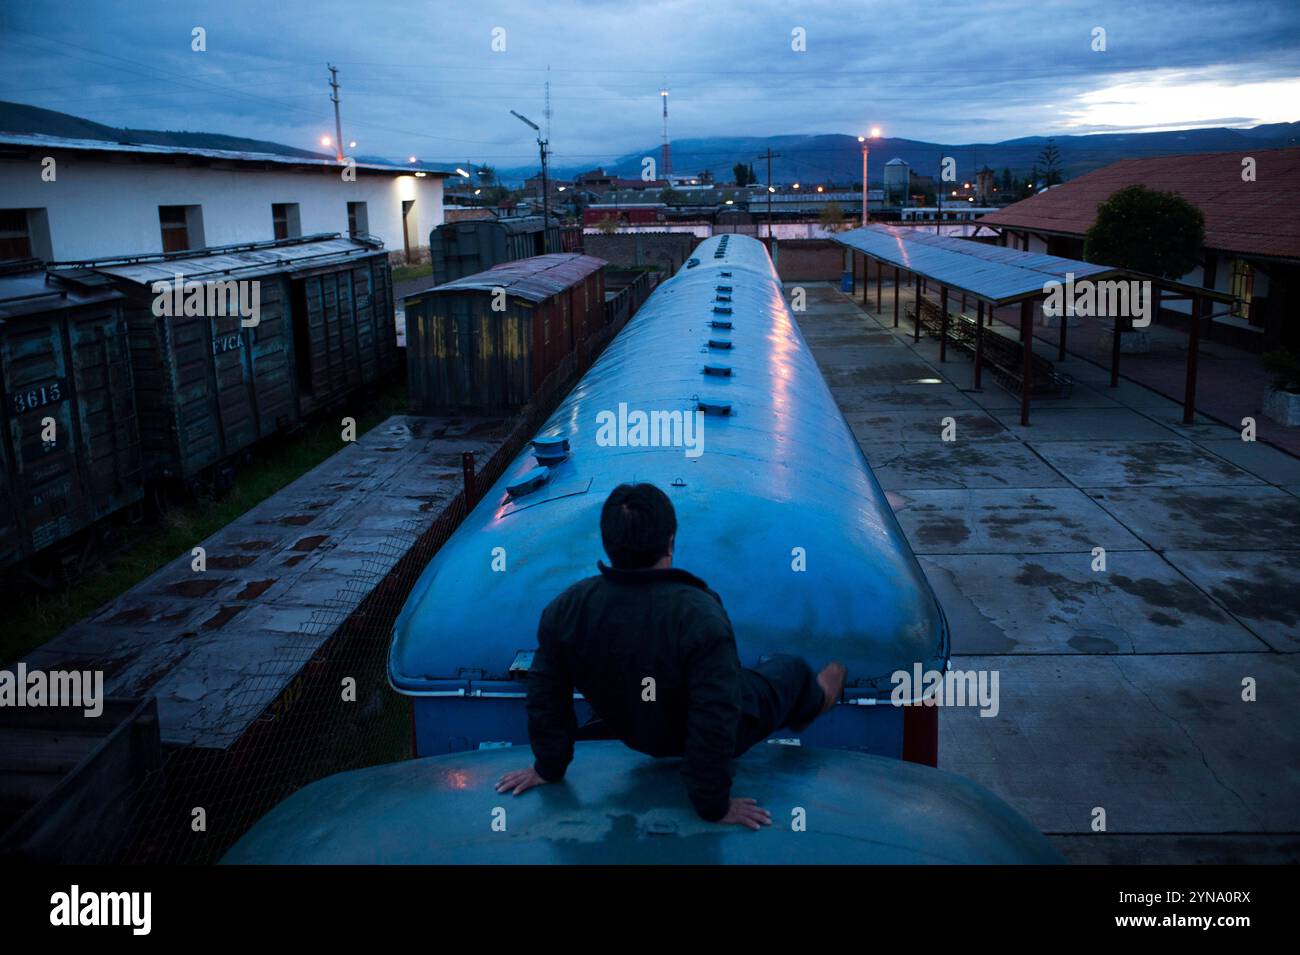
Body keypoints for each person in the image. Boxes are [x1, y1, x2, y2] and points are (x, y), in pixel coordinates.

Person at [495, 482, 846, 829]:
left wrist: (547, 767)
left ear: (607, 544)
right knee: (789, 671)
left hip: (635, 730)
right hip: (696, 728)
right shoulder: (698, 613)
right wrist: (714, 805)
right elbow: (717, 712)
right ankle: (815, 699)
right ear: (671, 543)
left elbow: (546, 696)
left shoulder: (566, 609)